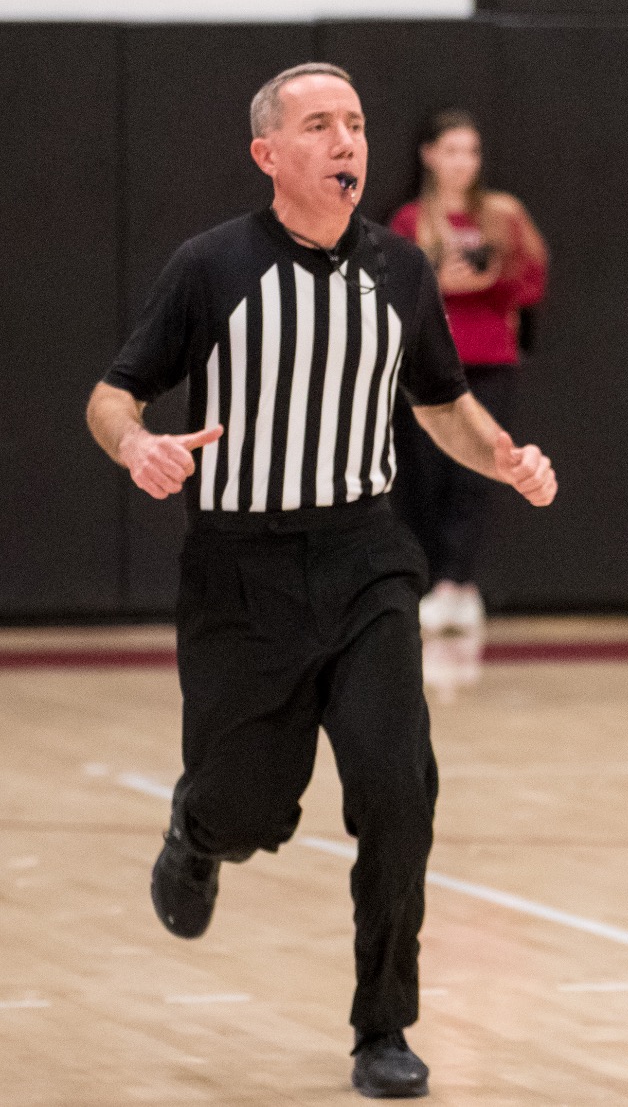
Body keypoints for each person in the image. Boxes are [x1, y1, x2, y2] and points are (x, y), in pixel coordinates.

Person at [85, 63, 558, 1099]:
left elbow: (441, 401)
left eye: (353, 123)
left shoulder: (400, 270)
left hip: (364, 559)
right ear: (269, 154)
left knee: (399, 789)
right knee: (254, 809)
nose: (346, 140)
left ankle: (382, 1026)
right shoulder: (209, 267)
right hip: (239, 573)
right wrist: (138, 449)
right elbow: (112, 393)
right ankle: (200, 826)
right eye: (318, 125)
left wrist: (505, 456)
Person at [389, 110, 549, 634]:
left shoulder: (503, 215)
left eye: (471, 151)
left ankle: (460, 583)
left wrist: (490, 280)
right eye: (452, 150)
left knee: (479, 472)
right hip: (429, 362)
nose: (463, 162)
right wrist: (441, 281)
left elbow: (530, 280)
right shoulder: (412, 220)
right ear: (430, 155)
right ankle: (433, 581)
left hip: (490, 360)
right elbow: (394, 285)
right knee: (423, 474)